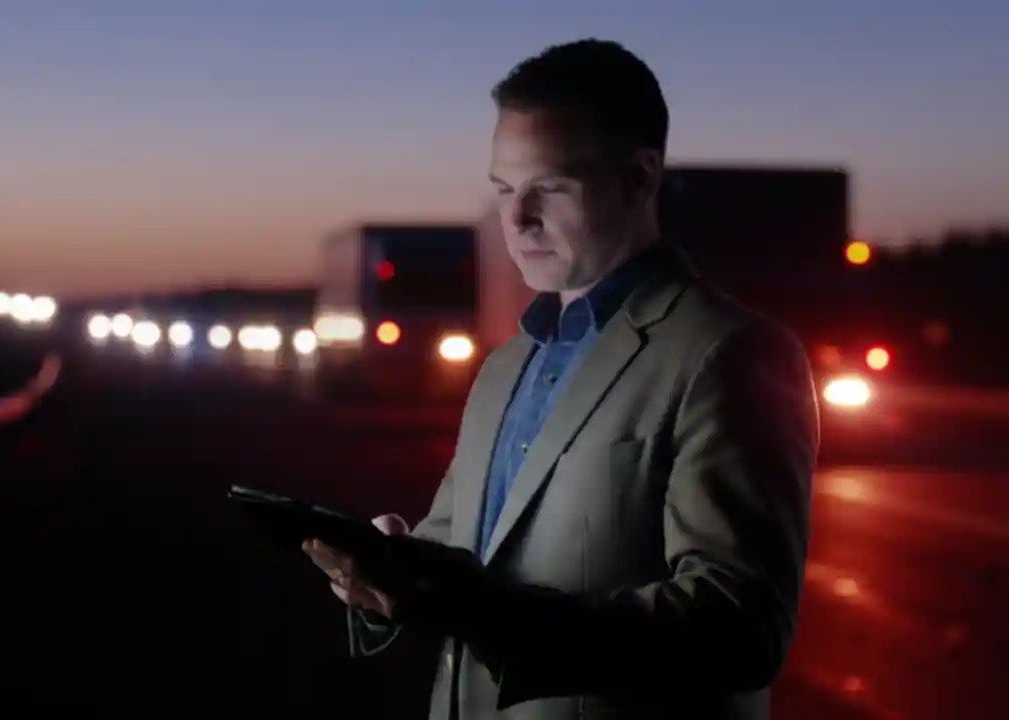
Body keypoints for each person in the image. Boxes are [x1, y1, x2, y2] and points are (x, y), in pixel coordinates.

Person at [303, 37, 818, 719]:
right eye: (504, 190)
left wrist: (494, 616)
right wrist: (385, 578)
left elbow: (740, 629)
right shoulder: (506, 366)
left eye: (548, 188)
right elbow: (456, 559)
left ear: (640, 178)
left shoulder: (730, 352)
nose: (515, 221)